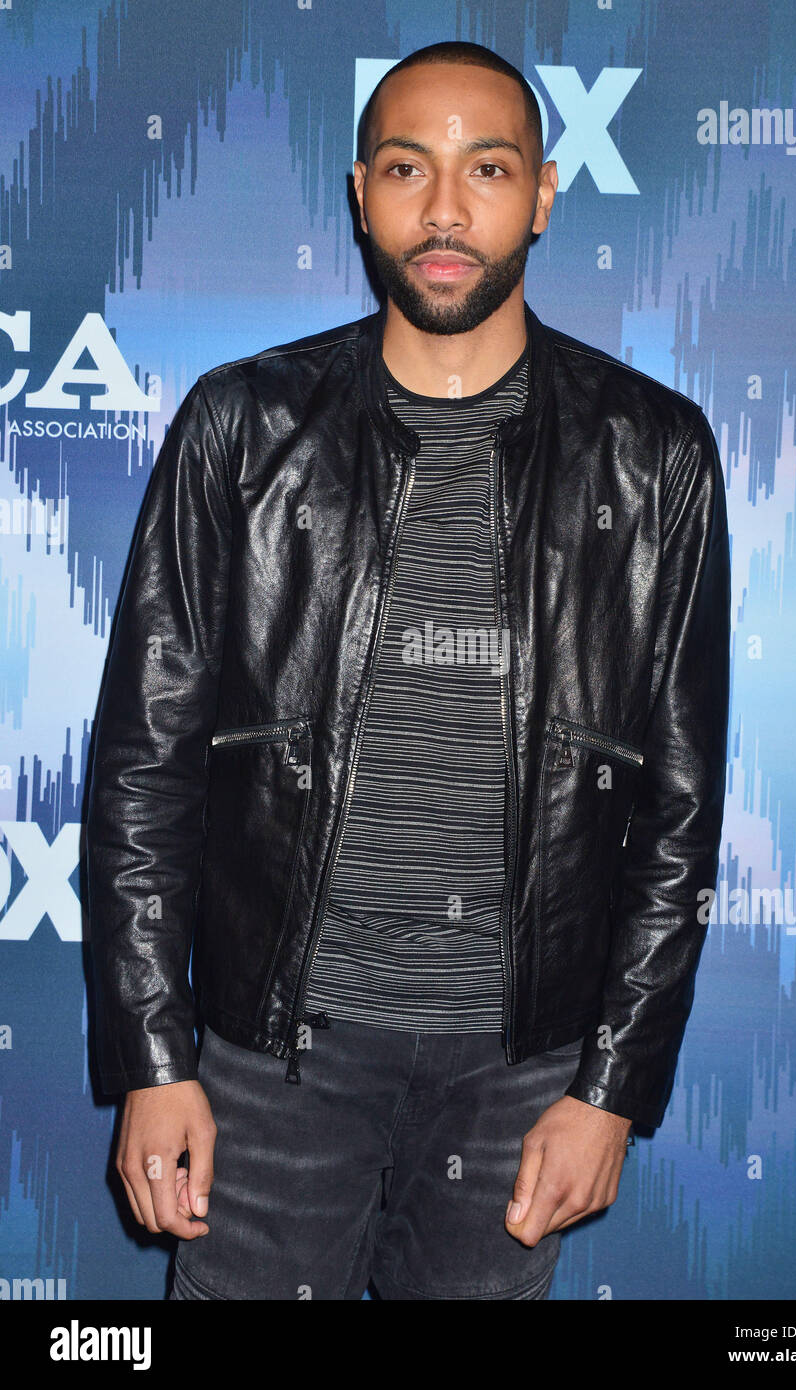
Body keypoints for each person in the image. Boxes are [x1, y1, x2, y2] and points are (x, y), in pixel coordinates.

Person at [86, 39, 730, 1301]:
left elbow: (680, 805)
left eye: (486, 168)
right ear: (360, 193)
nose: (444, 210)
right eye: (406, 168)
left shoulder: (654, 455)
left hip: (518, 1080)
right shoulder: (242, 425)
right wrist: (159, 1056)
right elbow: (144, 762)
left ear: (542, 193)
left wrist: (610, 1085)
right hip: (269, 1067)